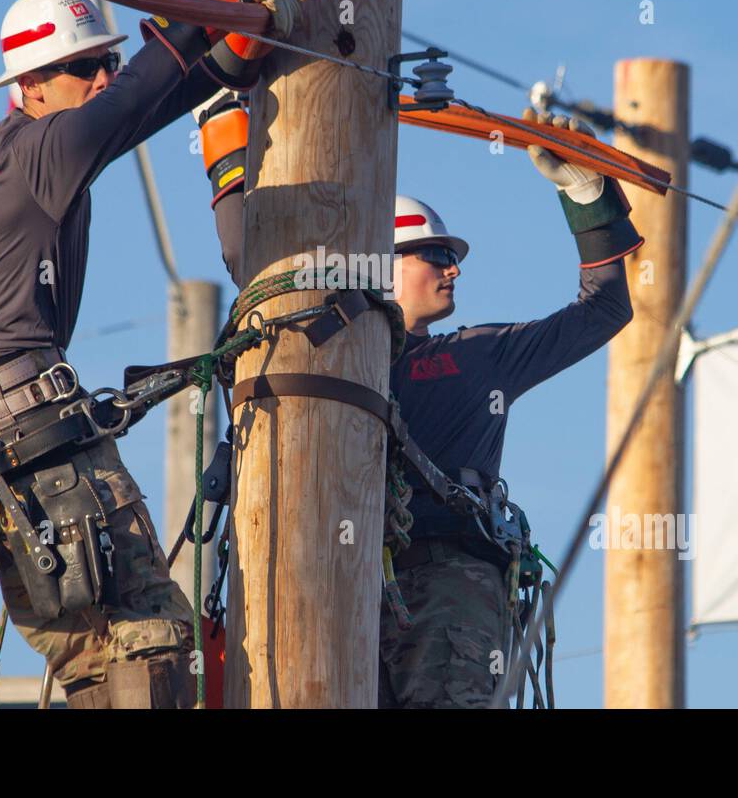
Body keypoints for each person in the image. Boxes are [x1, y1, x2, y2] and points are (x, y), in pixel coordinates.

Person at [0, 0, 302, 709]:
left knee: (96, 660)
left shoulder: (23, 155)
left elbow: (142, 104)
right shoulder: (42, 149)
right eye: (82, 67)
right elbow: (132, 99)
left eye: (106, 62)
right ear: (29, 85)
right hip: (34, 437)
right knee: (153, 637)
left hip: (0, 452)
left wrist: (226, 56)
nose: (99, 78)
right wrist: (222, 1)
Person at [204, 102, 642, 708]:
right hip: (333, 584)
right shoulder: (316, 355)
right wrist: (223, 129)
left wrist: (588, 195)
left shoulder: (481, 356)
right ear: (383, 266)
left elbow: (605, 310)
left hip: (447, 581)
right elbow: (253, 270)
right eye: (434, 254)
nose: (453, 267)